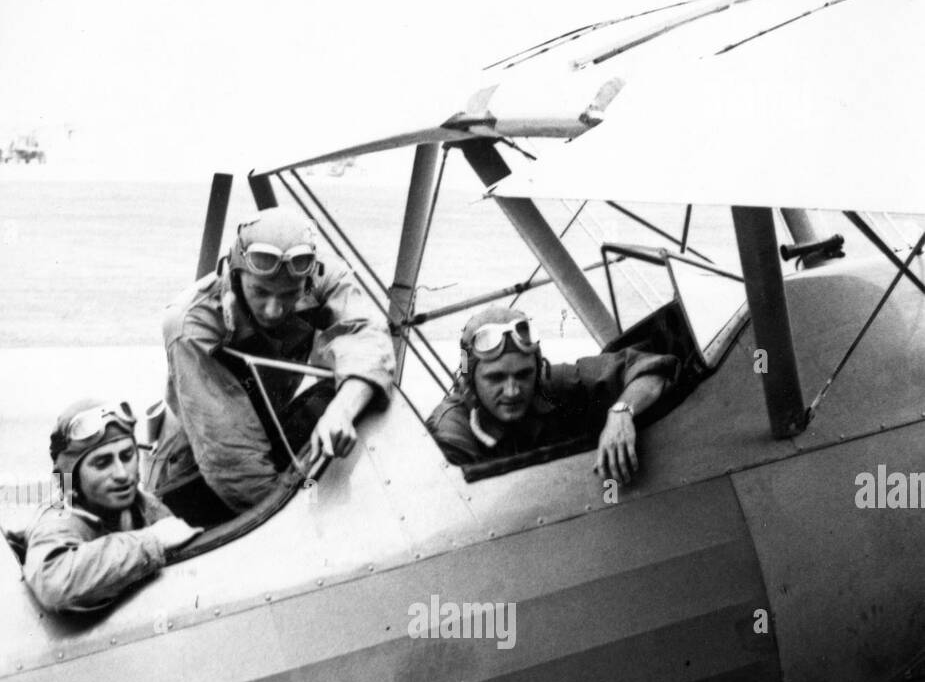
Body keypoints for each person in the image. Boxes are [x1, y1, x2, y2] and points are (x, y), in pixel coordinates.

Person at [153, 206, 395, 526]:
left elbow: (368, 336)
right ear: (235, 274)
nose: (273, 309)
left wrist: (343, 410)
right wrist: (298, 525)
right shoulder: (191, 325)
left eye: (289, 294)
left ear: (307, 281)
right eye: (260, 292)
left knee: (347, 395)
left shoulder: (321, 273)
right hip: (194, 473)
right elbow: (233, 459)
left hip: (266, 432)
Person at [426, 306, 681, 484]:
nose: (513, 391)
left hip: (603, 496)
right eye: (496, 378)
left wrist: (622, 412)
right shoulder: (451, 432)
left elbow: (651, 368)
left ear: (538, 371)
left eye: (524, 374)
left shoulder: (551, 386)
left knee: (611, 492)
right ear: (469, 377)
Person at [24, 398, 200, 613]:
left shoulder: (143, 505)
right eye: (102, 463)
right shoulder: (56, 521)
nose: (122, 474)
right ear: (72, 477)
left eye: (127, 456)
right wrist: (152, 542)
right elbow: (53, 583)